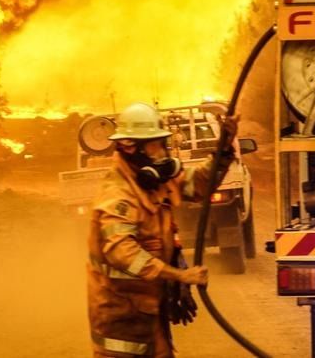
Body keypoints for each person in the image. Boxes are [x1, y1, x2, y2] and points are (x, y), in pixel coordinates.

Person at [86, 102, 236, 357]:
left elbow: (199, 185)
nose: (164, 152)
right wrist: (178, 276)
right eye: (157, 144)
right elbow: (123, 253)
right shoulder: (117, 196)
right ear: (131, 147)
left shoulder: (153, 182)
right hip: (122, 326)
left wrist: (223, 147)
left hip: (149, 314)